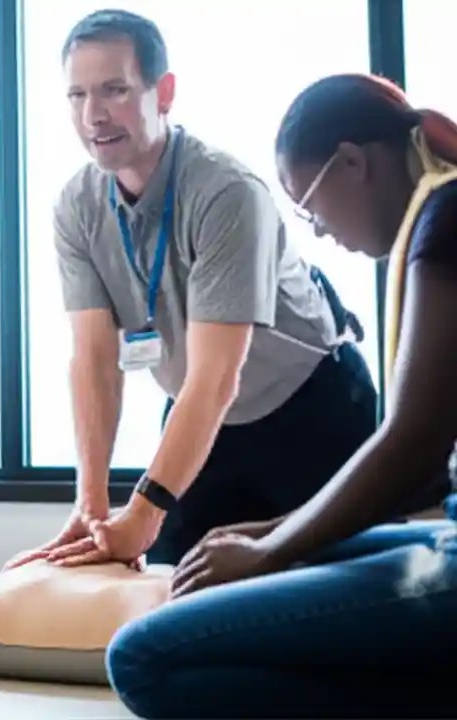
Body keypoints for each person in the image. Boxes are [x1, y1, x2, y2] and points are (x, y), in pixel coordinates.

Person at [106, 73, 457, 719]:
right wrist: (273, 534)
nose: (319, 233)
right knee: (229, 584)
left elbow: (414, 447)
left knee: (141, 658)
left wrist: (272, 548)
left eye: (310, 207)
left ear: (353, 163)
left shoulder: (445, 220)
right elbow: (427, 475)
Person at [5, 9, 396, 572]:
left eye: (114, 90)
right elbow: (94, 361)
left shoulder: (225, 194)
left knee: (319, 598)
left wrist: (142, 513)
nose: (94, 114)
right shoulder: (77, 207)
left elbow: (217, 377)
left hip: (312, 407)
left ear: (163, 92)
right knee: (174, 589)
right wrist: (90, 504)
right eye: (77, 95)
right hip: (204, 418)